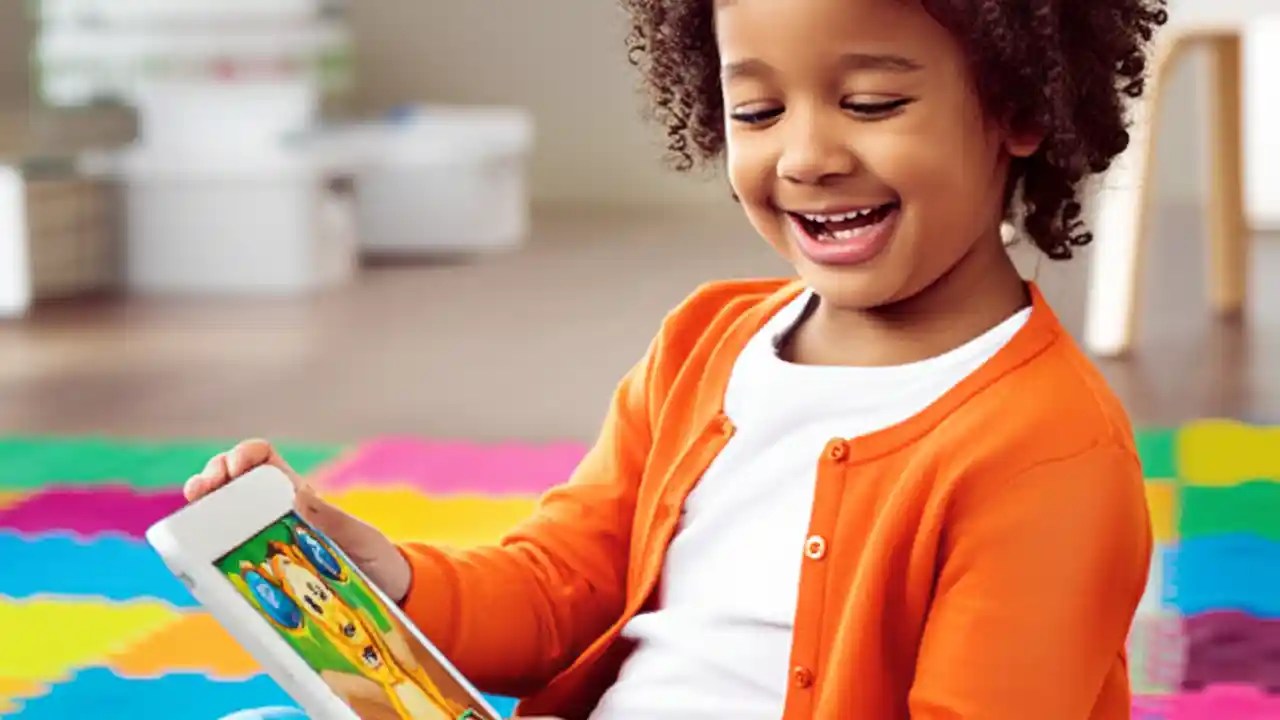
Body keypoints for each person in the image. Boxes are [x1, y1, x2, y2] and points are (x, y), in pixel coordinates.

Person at [187, 0, 1168, 717]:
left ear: (1019, 110)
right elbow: (552, 592)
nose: (805, 156)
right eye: (756, 111)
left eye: (869, 103)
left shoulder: (1049, 455)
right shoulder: (706, 344)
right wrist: (387, 580)